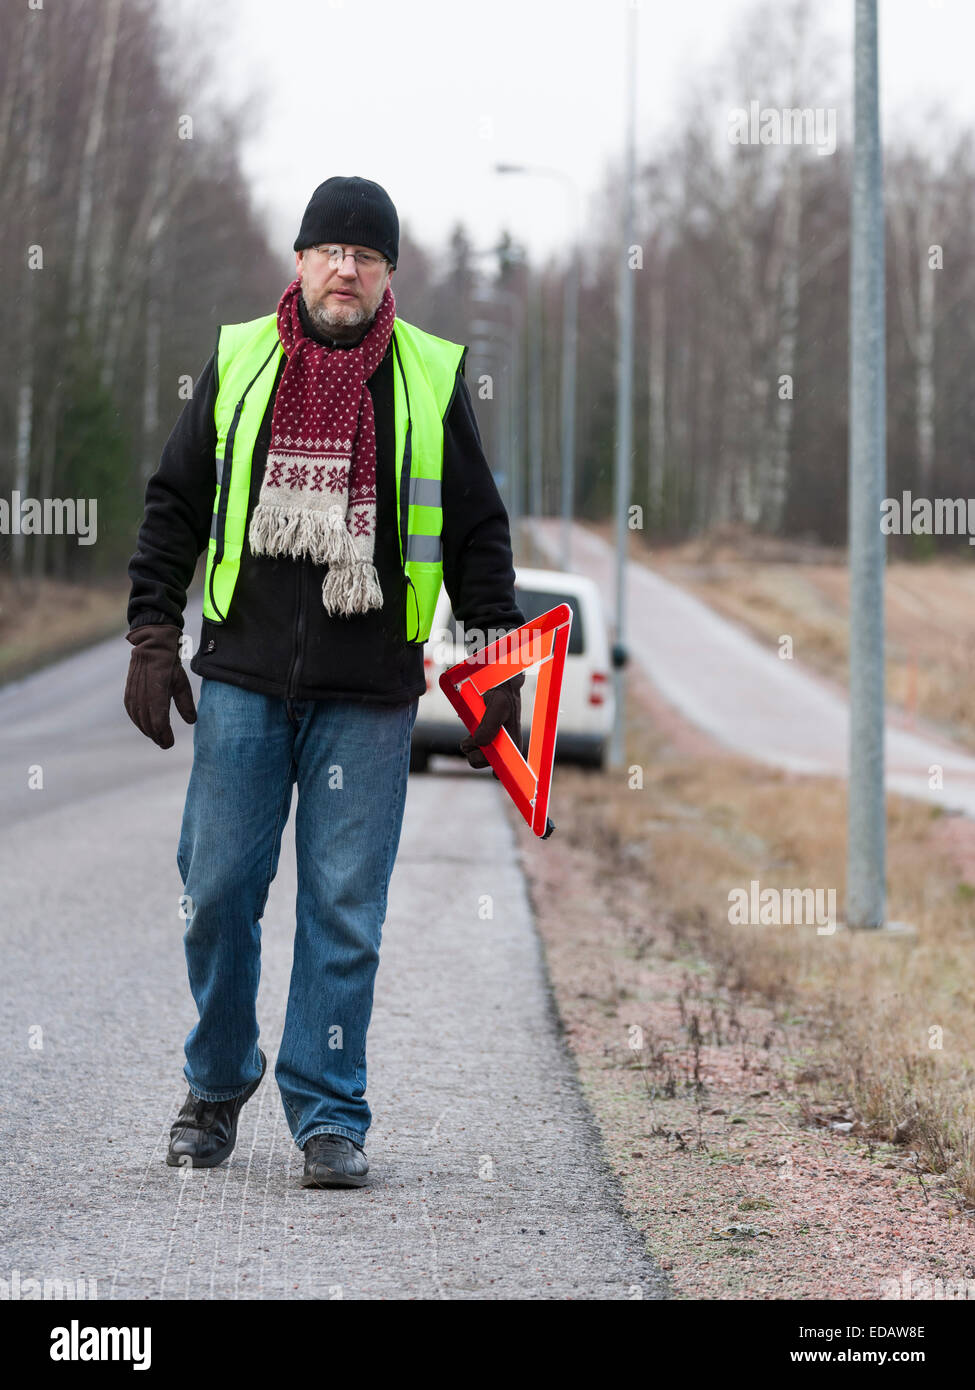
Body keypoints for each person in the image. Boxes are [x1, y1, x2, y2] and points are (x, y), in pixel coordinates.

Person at [123, 175, 525, 1188]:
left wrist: (496, 657)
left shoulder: (430, 377)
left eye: (367, 254)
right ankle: (217, 1084)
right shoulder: (240, 359)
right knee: (215, 892)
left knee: (345, 910)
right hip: (247, 679)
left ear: (390, 272)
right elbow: (175, 501)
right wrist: (150, 634)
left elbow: (479, 530)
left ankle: (330, 1112)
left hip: (371, 695)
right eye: (328, 250)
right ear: (298, 262)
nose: (345, 268)